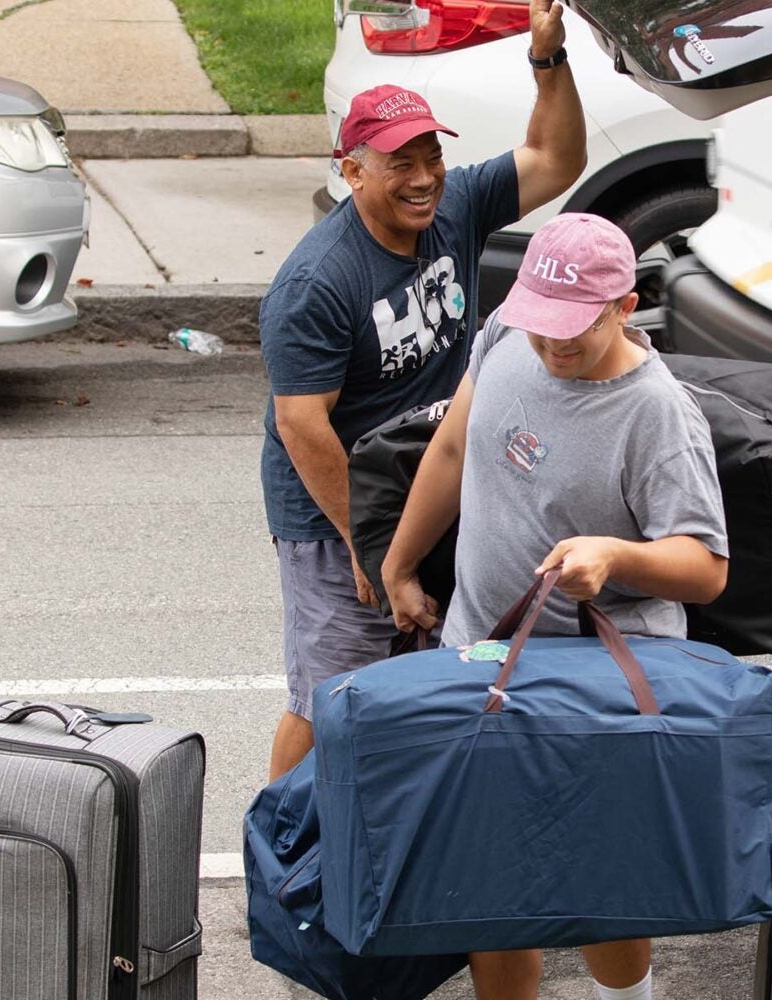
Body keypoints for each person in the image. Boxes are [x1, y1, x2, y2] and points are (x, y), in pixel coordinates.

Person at [381, 213, 729, 1000]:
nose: (551, 344)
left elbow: (706, 569)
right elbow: (451, 445)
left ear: (624, 305)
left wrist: (615, 555)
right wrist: (400, 563)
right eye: (541, 324)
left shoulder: (658, 416)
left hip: (596, 685)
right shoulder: (509, 330)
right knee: (489, 882)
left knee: (596, 876)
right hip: (480, 661)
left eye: (573, 329)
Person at [258, 0, 587, 781]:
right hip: (334, 508)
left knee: (433, 666)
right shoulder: (316, 283)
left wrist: (549, 60)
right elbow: (304, 427)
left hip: (427, 479)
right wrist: (368, 544)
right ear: (353, 171)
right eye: (399, 162)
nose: (424, 177)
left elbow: (555, 158)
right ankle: (280, 852)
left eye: (431, 155)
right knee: (332, 689)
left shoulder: (454, 209)